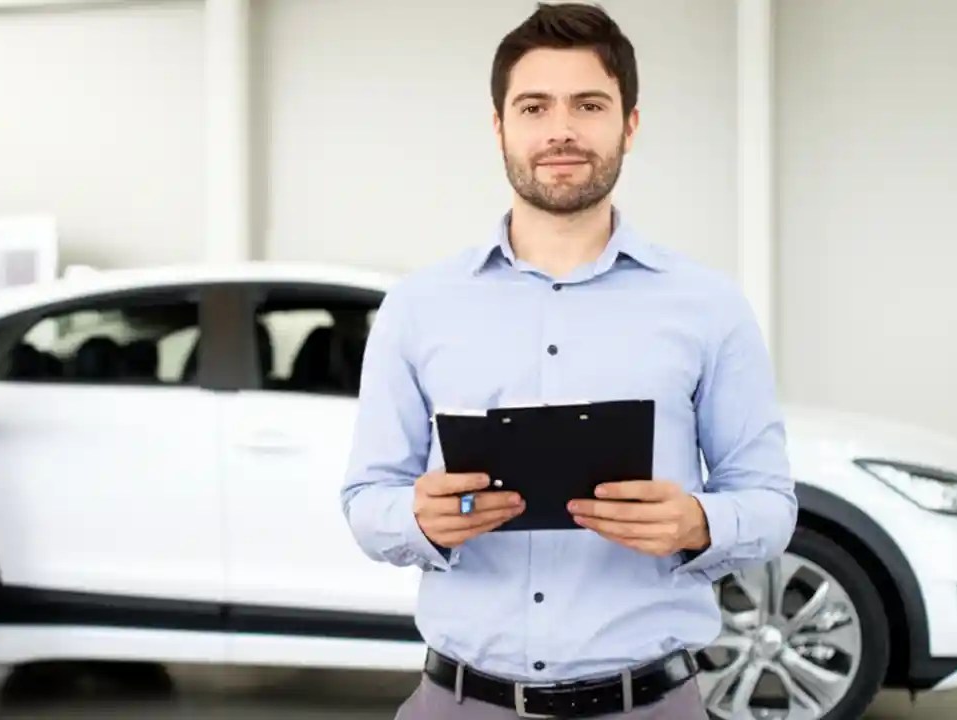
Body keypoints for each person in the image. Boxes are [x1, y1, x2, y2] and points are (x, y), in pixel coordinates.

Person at [340, 4, 797, 719]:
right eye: (534, 107)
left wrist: (699, 523)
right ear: (499, 127)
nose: (561, 130)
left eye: (589, 105)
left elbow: (770, 502)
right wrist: (417, 518)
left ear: (629, 125)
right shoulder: (418, 306)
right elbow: (366, 500)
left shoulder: (710, 307)